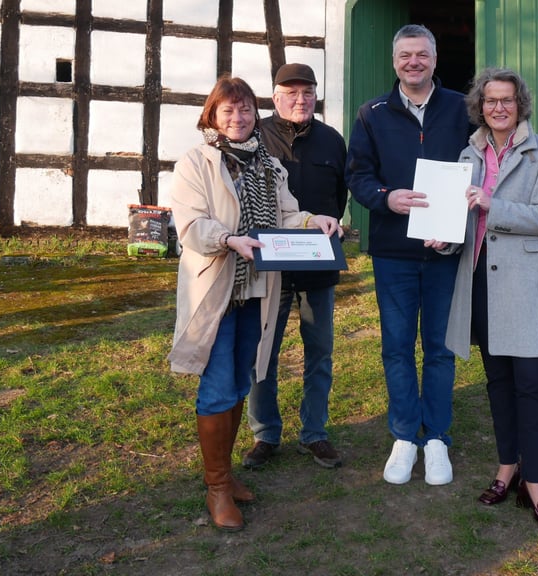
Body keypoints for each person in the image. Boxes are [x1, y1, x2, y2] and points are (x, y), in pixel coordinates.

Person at [168, 75, 341, 532]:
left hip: (257, 292)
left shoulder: (269, 166)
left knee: (243, 382)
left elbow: (287, 214)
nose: (238, 118)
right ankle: (217, 487)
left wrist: (313, 220)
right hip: (218, 291)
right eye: (228, 110)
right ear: (213, 116)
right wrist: (229, 239)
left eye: (244, 109)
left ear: (253, 113)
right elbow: (190, 226)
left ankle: (228, 475)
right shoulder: (195, 162)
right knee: (219, 386)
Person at [436, 68, 538, 529]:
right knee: (498, 384)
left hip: (528, 286)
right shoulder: (466, 154)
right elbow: (462, 221)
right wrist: (444, 239)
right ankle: (506, 468)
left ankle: (536, 485)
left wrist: (493, 204)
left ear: (520, 104)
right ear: (480, 106)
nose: (498, 108)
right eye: (490, 101)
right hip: (481, 284)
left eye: (507, 100)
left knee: (530, 385)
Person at [346, 24, 472, 486]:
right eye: (405, 55)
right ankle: (404, 435)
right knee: (397, 346)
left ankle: (436, 436)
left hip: (444, 251)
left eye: (422, 54)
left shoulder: (463, 108)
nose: (413, 62)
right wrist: (385, 197)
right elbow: (358, 176)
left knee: (440, 348)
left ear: (435, 59)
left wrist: (456, 228)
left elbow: (479, 167)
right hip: (393, 252)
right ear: (394, 61)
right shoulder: (372, 113)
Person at [242, 63, 348, 470]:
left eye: (307, 92)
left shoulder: (332, 141)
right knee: (262, 353)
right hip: (269, 269)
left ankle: (315, 433)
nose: (300, 99)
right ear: (275, 97)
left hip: (319, 268)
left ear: (316, 96)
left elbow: (339, 196)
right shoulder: (255, 138)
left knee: (319, 351)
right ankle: (265, 434)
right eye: (291, 93)